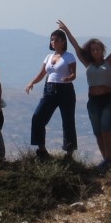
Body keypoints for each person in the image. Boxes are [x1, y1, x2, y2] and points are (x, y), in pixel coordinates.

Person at [58, 18, 111, 171]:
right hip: (93, 102)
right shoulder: (87, 63)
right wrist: (66, 30)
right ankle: (105, 160)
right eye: (93, 49)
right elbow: (76, 46)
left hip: (109, 100)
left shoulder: (109, 61)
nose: (95, 51)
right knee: (97, 132)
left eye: (98, 49)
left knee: (106, 129)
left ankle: (108, 159)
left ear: (102, 50)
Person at [24, 28, 78, 160]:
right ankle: (41, 149)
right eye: (52, 40)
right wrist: (32, 82)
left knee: (68, 121)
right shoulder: (48, 57)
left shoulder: (69, 56)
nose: (54, 42)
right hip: (49, 89)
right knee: (37, 117)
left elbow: (73, 74)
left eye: (57, 40)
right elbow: (42, 74)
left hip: (65, 90)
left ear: (63, 41)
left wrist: (68, 78)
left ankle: (69, 153)